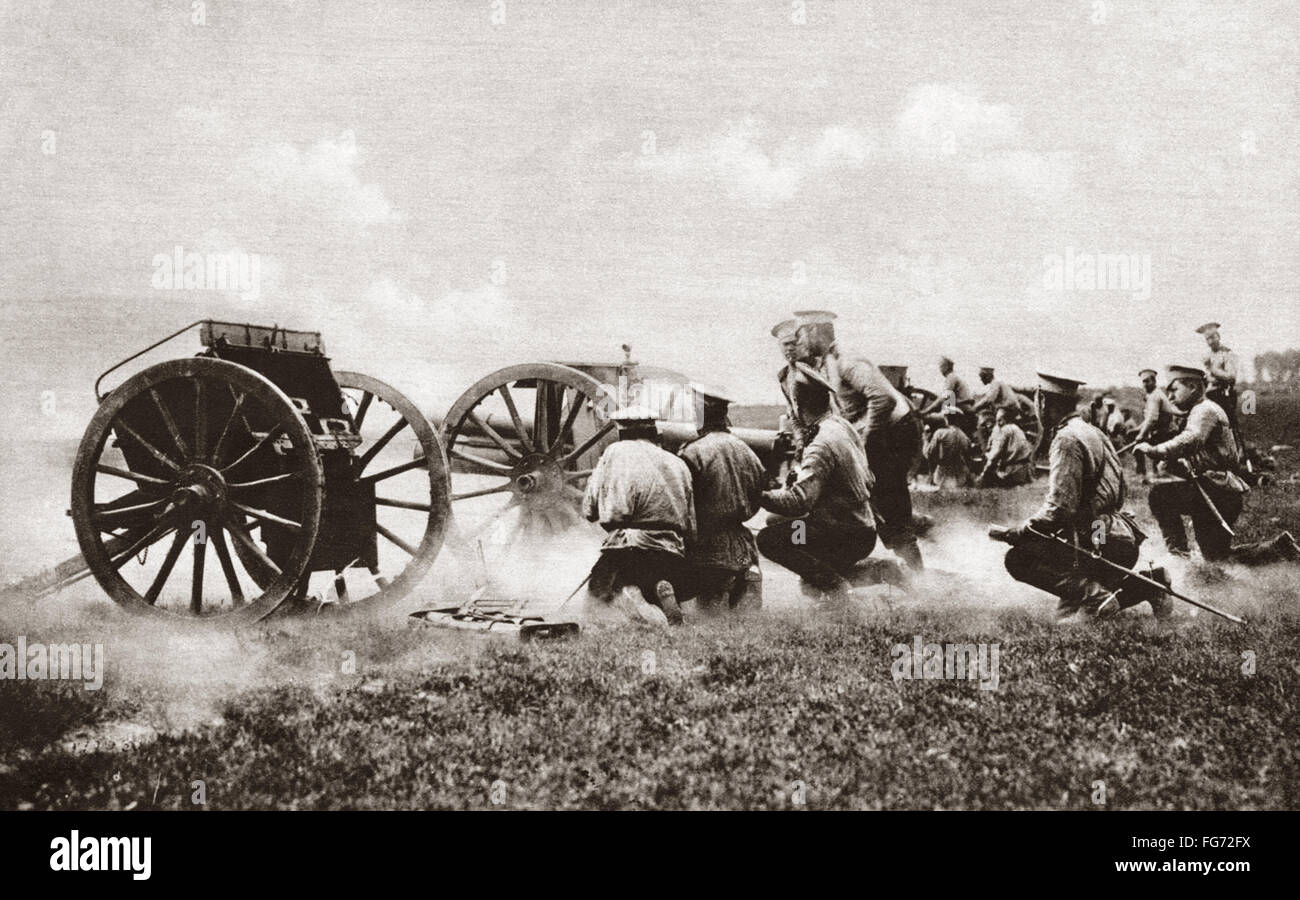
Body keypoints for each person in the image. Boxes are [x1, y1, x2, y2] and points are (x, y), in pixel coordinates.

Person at [990, 403, 1173, 620]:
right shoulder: (1095, 432)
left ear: (1043, 402)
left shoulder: (1066, 438)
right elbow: (1120, 491)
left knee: (1018, 558)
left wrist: (1022, 531)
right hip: (1115, 535)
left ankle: (1097, 599)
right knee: (1064, 615)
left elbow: (1059, 508)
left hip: (1096, 541)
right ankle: (1151, 582)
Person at [793, 310, 925, 571]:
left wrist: (864, 440)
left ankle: (917, 577)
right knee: (873, 502)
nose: (799, 342)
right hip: (882, 435)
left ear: (815, 331)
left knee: (889, 505)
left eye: (801, 335)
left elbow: (883, 398)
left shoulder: (846, 359)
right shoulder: (827, 361)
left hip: (892, 434)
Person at [1135, 365, 1298, 566]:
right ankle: (1278, 549)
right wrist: (1170, 462)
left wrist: (1154, 450)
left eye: (1174, 389)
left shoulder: (1205, 410)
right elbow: (1194, 451)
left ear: (1193, 387)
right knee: (1216, 557)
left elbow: (1191, 440)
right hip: (1215, 488)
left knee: (1161, 497)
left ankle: (1179, 559)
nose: (1169, 396)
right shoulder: (1199, 410)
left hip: (1218, 491)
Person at [757, 374, 899, 601]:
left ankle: (838, 589)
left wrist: (759, 495)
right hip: (862, 526)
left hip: (841, 534)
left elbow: (798, 502)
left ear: (798, 405)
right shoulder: (841, 426)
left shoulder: (821, 444)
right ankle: (881, 571)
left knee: (769, 540)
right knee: (807, 571)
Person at [582, 407, 696, 626]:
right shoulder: (677, 462)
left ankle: (637, 603)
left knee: (598, 597)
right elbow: (691, 523)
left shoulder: (616, 451)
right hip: (672, 550)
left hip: (629, 547)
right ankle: (663, 597)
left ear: (621, 430)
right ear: (654, 431)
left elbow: (590, 509)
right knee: (654, 584)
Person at [678, 386, 767, 615]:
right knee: (742, 620)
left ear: (700, 416)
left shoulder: (692, 453)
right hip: (744, 544)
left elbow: (683, 503)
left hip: (708, 549)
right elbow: (760, 489)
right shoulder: (746, 450)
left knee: (708, 612)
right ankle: (748, 578)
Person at [1197, 322, 1242, 450]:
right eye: (1207, 339)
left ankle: (1238, 456)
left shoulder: (1228, 354)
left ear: (1218, 336)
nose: (1210, 342)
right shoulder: (1207, 356)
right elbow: (1208, 378)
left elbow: (1231, 377)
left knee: (1229, 427)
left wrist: (1212, 369)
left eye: (1213, 337)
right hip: (1210, 395)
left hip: (1224, 395)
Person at [1133, 368, 1179, 483]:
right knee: (1155, 458)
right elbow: (1149, 419)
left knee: (1161, 461)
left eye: (1147, 381)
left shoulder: (1155, 396)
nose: (1144, 384)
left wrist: (1141, 435)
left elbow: (1152, 419)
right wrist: (1137, 430)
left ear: (1154, 381)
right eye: (1143, 381)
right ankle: (1146, 475)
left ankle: (1155, 480)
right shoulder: (1153, 395)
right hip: (1161, 433)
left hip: (1166, 433)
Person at [979, 407, 1034, 487]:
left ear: (1004, 420)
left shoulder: (1004, 430)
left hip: (1012, 471)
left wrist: (984, 473)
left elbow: (995, 454)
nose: (998, 423)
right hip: (1025, 469)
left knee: (986, 480)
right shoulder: (1017, 428)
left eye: (999, 420)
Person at [971, 365, 1021, 450]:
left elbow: (989, 399)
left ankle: (990, 449)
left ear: (987, 375)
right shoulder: (996, 383)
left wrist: (975, 407)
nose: (981, 379)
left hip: (1007, 408)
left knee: (991, 427)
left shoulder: (995, 383)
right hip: (1006, 407)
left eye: (981, 376)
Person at [922, 407, 972, 489]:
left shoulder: (940, 433)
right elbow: (968, 459)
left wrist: (925, 440)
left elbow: (928, 454)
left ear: (946, 418)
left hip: (942, 476)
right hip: (960, 477)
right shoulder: (965, 437)